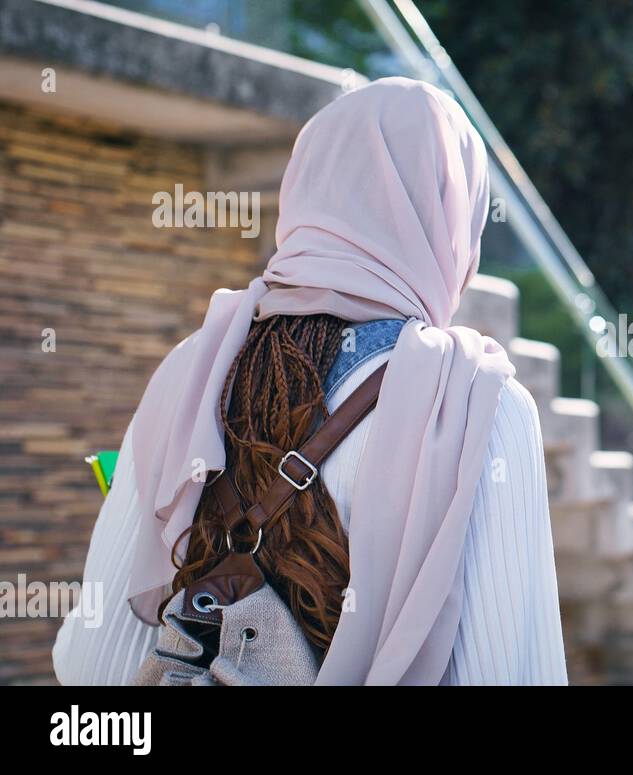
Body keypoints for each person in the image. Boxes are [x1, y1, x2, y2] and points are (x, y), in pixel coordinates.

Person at [51, 77, 567, 685]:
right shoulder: (475, 402)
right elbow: (510, 672)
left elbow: (87, 663)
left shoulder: (192, 371)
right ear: (455, 219)